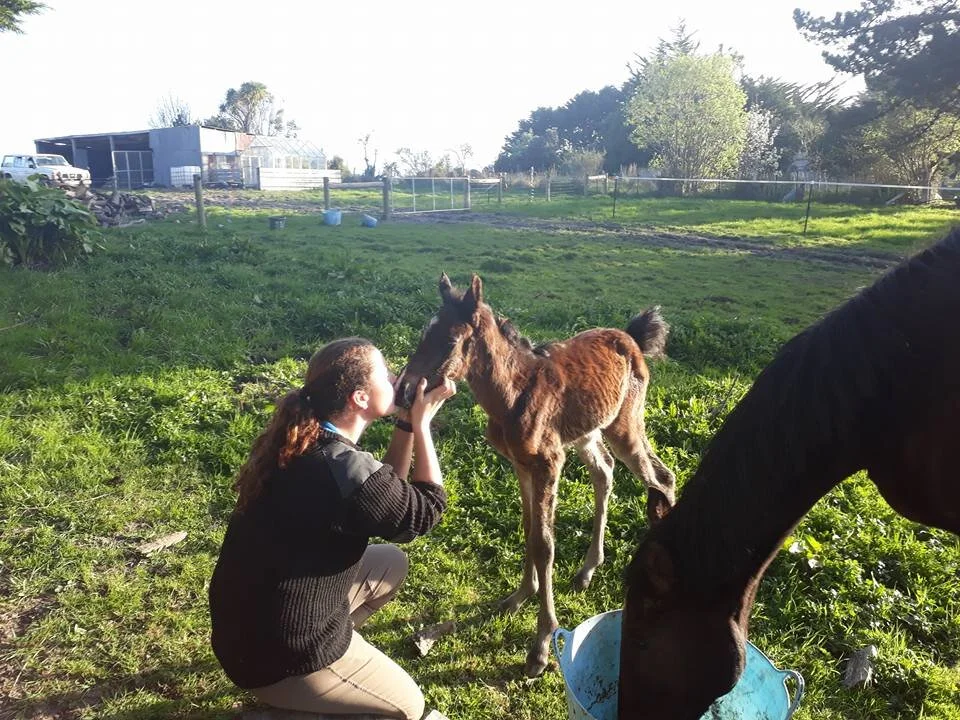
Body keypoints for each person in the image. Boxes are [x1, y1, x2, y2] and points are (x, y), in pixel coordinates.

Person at [209, 337, 457, 720]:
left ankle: (324, 686)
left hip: (246, 635)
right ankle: (299, 701)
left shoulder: (301, 441)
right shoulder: (343, 468)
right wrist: (423, 426)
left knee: (390, 563)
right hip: (281, 657)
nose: (395, 379)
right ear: (360, 398)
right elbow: (424, 512)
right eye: (386, 375)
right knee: (409, 710)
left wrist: (407, 424)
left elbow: (387, 497)